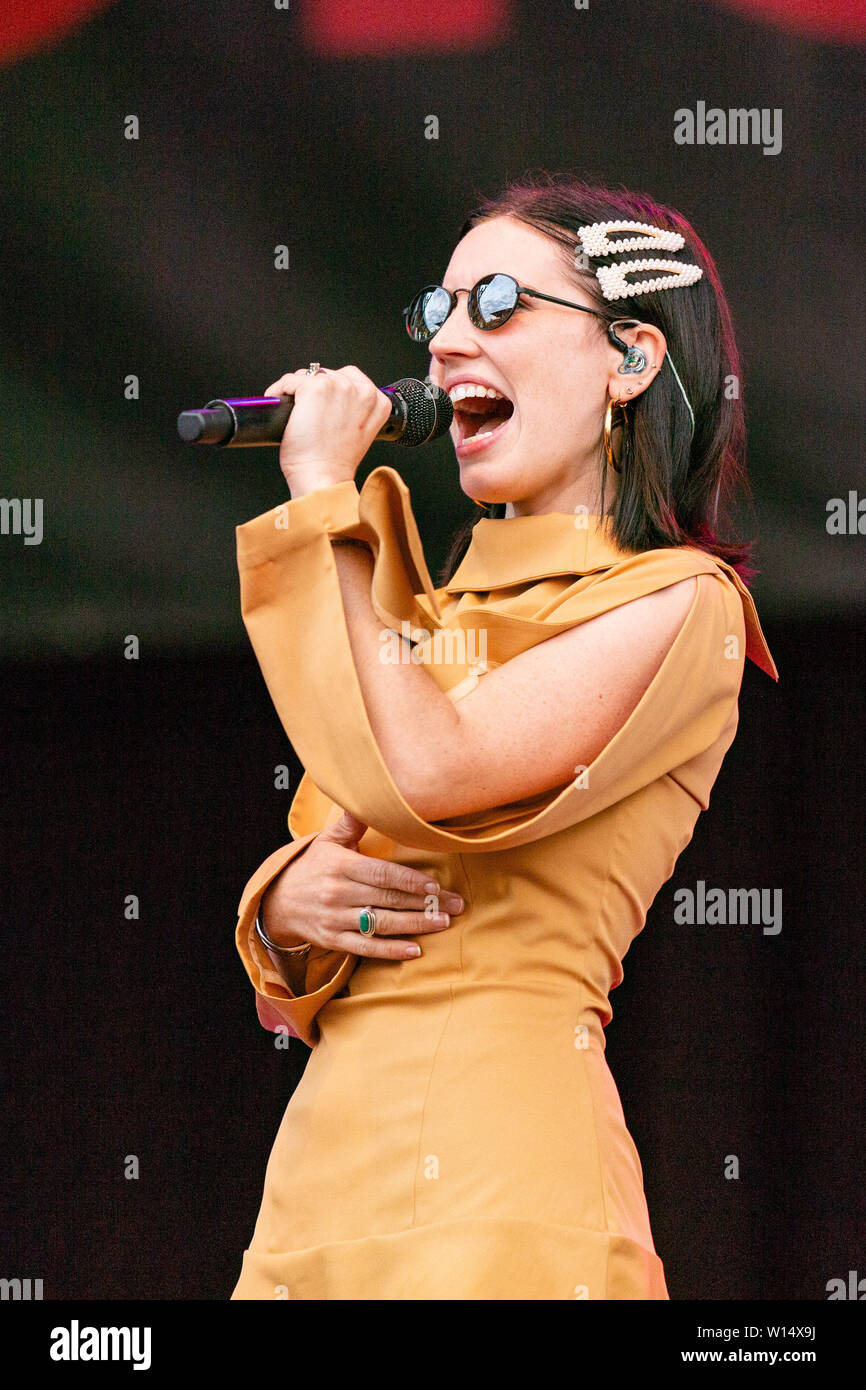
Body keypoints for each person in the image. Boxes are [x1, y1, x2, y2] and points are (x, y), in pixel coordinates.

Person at [229, 174, 778, 1301]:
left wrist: (323, 489)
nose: (444, 349)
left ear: (628, 360)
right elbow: (288, 997)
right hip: (316, 1199)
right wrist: (281, 910)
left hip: (505, 1195)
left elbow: (434, 769)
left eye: (494, 304)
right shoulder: (416, 613)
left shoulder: (677, 603)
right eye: (436, 316)